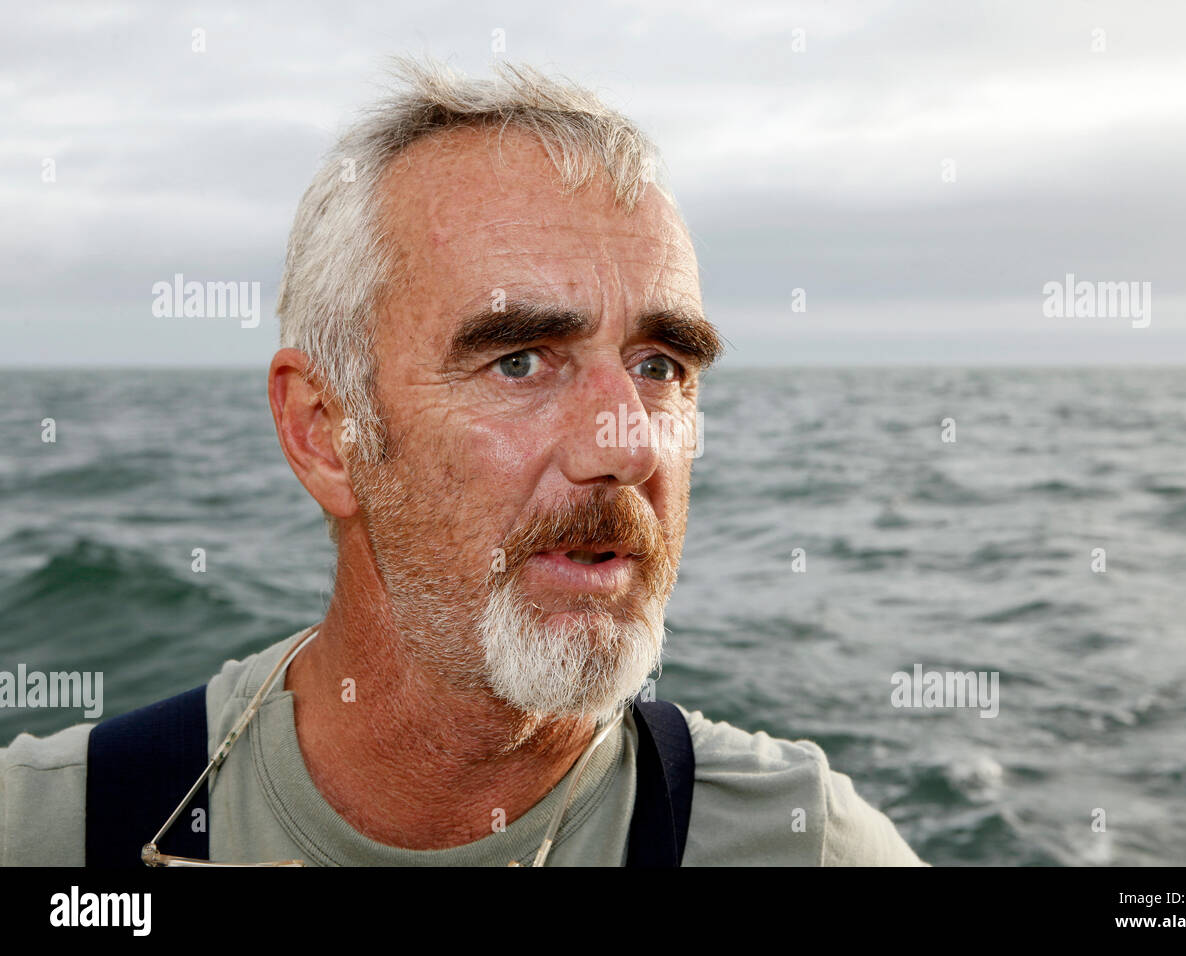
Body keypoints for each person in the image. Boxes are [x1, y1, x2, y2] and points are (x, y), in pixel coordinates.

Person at [0, 59, 924, 867]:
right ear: (326, 431)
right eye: (519, 360)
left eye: (659, 367)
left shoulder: (798, 843)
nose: (629, 443)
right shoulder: (55, 831)